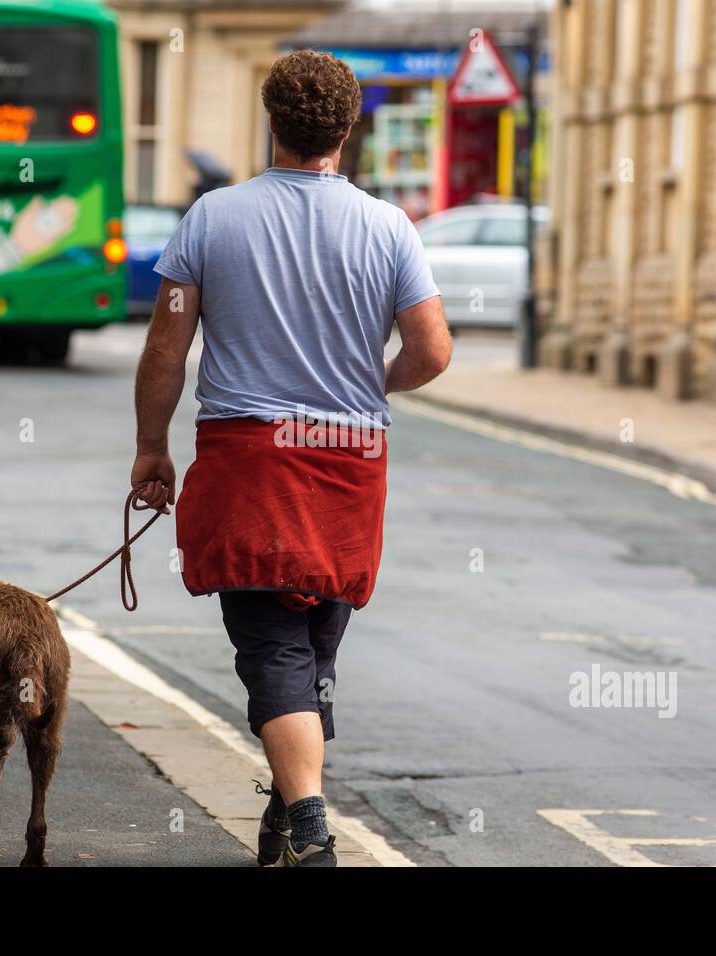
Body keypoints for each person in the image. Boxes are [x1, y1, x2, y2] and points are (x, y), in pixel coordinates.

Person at [131, 50, 451, 866]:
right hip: (350, 456)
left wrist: (150, 448)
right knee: (313, 645)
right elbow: (433, 351)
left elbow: (167, 349)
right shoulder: (388, 226)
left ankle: (307, 825)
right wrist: (369, 383)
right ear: (347, 130)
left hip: (250, 455)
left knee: (274, 646)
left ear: (271, 122)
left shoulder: (212, 218)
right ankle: (282, 825)